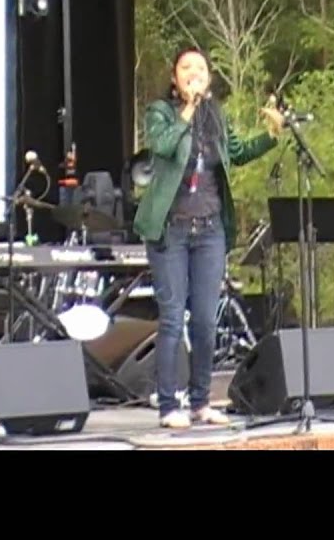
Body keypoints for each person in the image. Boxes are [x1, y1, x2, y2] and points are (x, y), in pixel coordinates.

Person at [133, 49, 284, 429]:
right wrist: (188, 107)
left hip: (210, 229)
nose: (194, 73)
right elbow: (163, 146)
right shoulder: (160, 113)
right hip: (171, 228)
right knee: (172, 318)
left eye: (200, 68)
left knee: (204, 320)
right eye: (186, 68)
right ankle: (169, 405)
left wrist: (271, 134)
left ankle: (200, 402)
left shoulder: (216, 115)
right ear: (174, 78)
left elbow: (237, 153)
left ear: (209, 78)